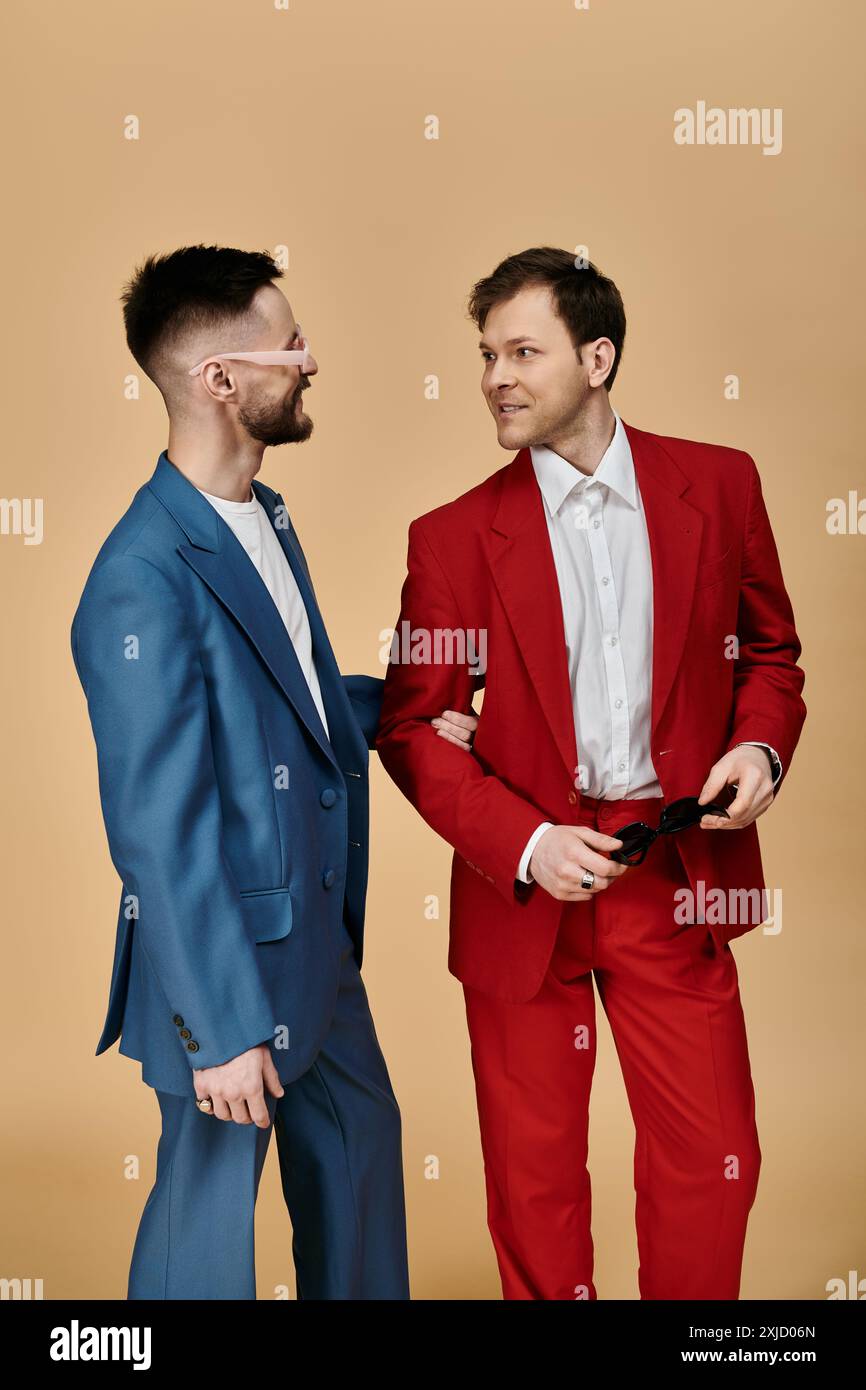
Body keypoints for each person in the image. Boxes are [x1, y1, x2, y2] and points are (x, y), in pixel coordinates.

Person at [375, 246, 806, 1300]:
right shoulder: (447, 539)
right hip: (522, 894)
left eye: (522, 351)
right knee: (532, 1185)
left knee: (714, 1161)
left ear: (597, 356)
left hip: (673, 875)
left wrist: (756, 747)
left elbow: (769, 654)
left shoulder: (719, 481)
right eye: (485, 355)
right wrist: (523, 841)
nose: (494, 378)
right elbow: (412, 726)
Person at [70, 244, 475, 1300]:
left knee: (358, 1162)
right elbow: (157, 823)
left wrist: (414, 712)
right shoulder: (138, 576)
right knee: (205, 1233)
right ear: (217, 379)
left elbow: (281, 701)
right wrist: (220, 1031)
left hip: (315, 943)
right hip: (222, 970)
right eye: (286, 342)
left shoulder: (264, 514)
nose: (308, 359)